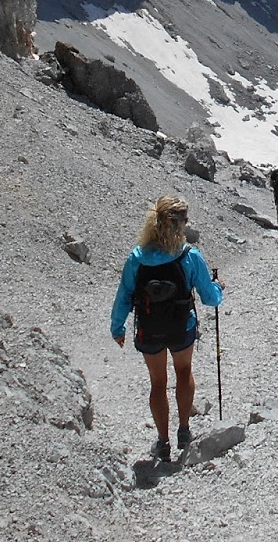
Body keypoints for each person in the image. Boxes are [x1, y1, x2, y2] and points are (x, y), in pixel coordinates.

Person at [110, 195, 223, 462]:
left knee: (158, 382)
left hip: (148, 329)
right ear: (180, 224)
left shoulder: (137, 258)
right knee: (184, 371)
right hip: (182, 327)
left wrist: (117, 327)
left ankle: (163, 442)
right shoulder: (189, 256)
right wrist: (219, 287)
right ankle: (184, 430)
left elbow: (124, 295)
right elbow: (210, 298)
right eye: (185, 220)